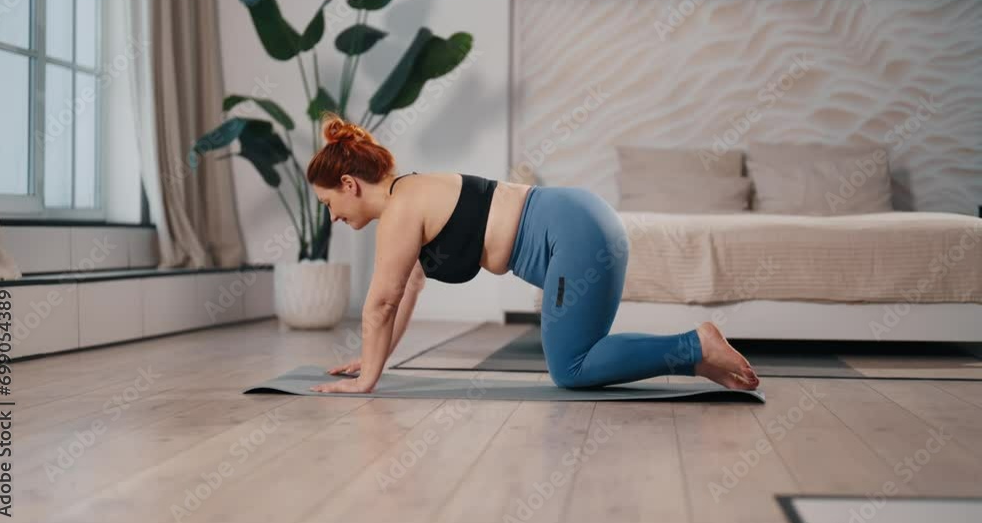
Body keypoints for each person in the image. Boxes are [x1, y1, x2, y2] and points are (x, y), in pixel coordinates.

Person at [305, 115, 759, 394]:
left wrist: (368, 383)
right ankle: (700, 358)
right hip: (584, 222)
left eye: (329, 205)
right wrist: (374, 359)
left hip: (574, 233)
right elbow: (406, 292)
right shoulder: (412, 196)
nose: (333, 218)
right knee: (582, 358)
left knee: (571, 369)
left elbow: (380, 302)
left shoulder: (403, 206)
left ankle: (696, 344)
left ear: (349, 185)